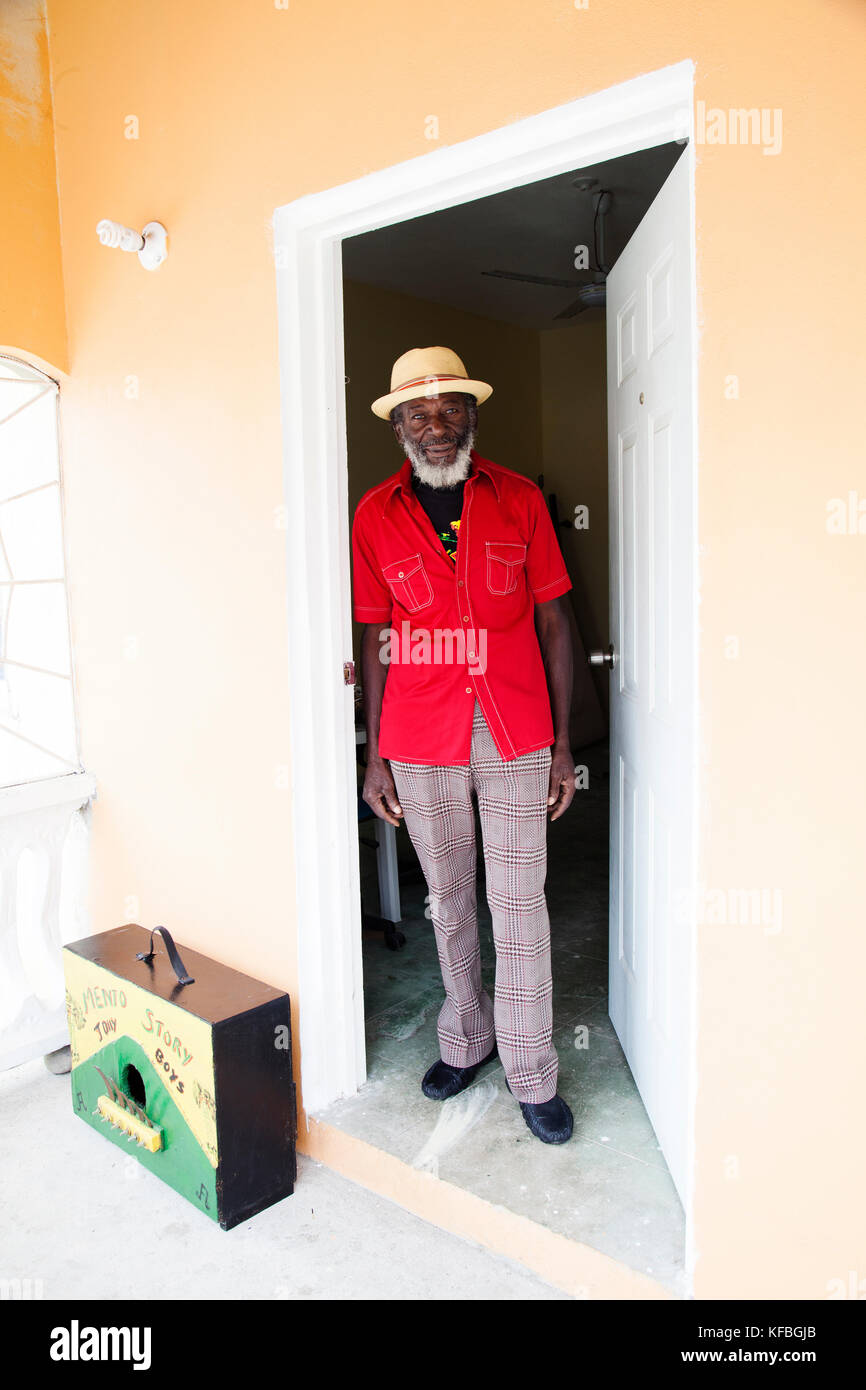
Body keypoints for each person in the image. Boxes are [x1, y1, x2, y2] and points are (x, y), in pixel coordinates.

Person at [351, 346, 576, 1143]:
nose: (436, 427)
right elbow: (375, 634)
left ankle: (532, 1070)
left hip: (515, 728)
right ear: (400, 428)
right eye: (419, 414)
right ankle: (467, 1038)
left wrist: (559, 742)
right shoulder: (375, 515)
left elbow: (554, 620)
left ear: (472, 416)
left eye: (450, 411)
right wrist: (375, 756)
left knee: (519, 905)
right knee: (448, 898)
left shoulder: (517, 499)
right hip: (419, 736)